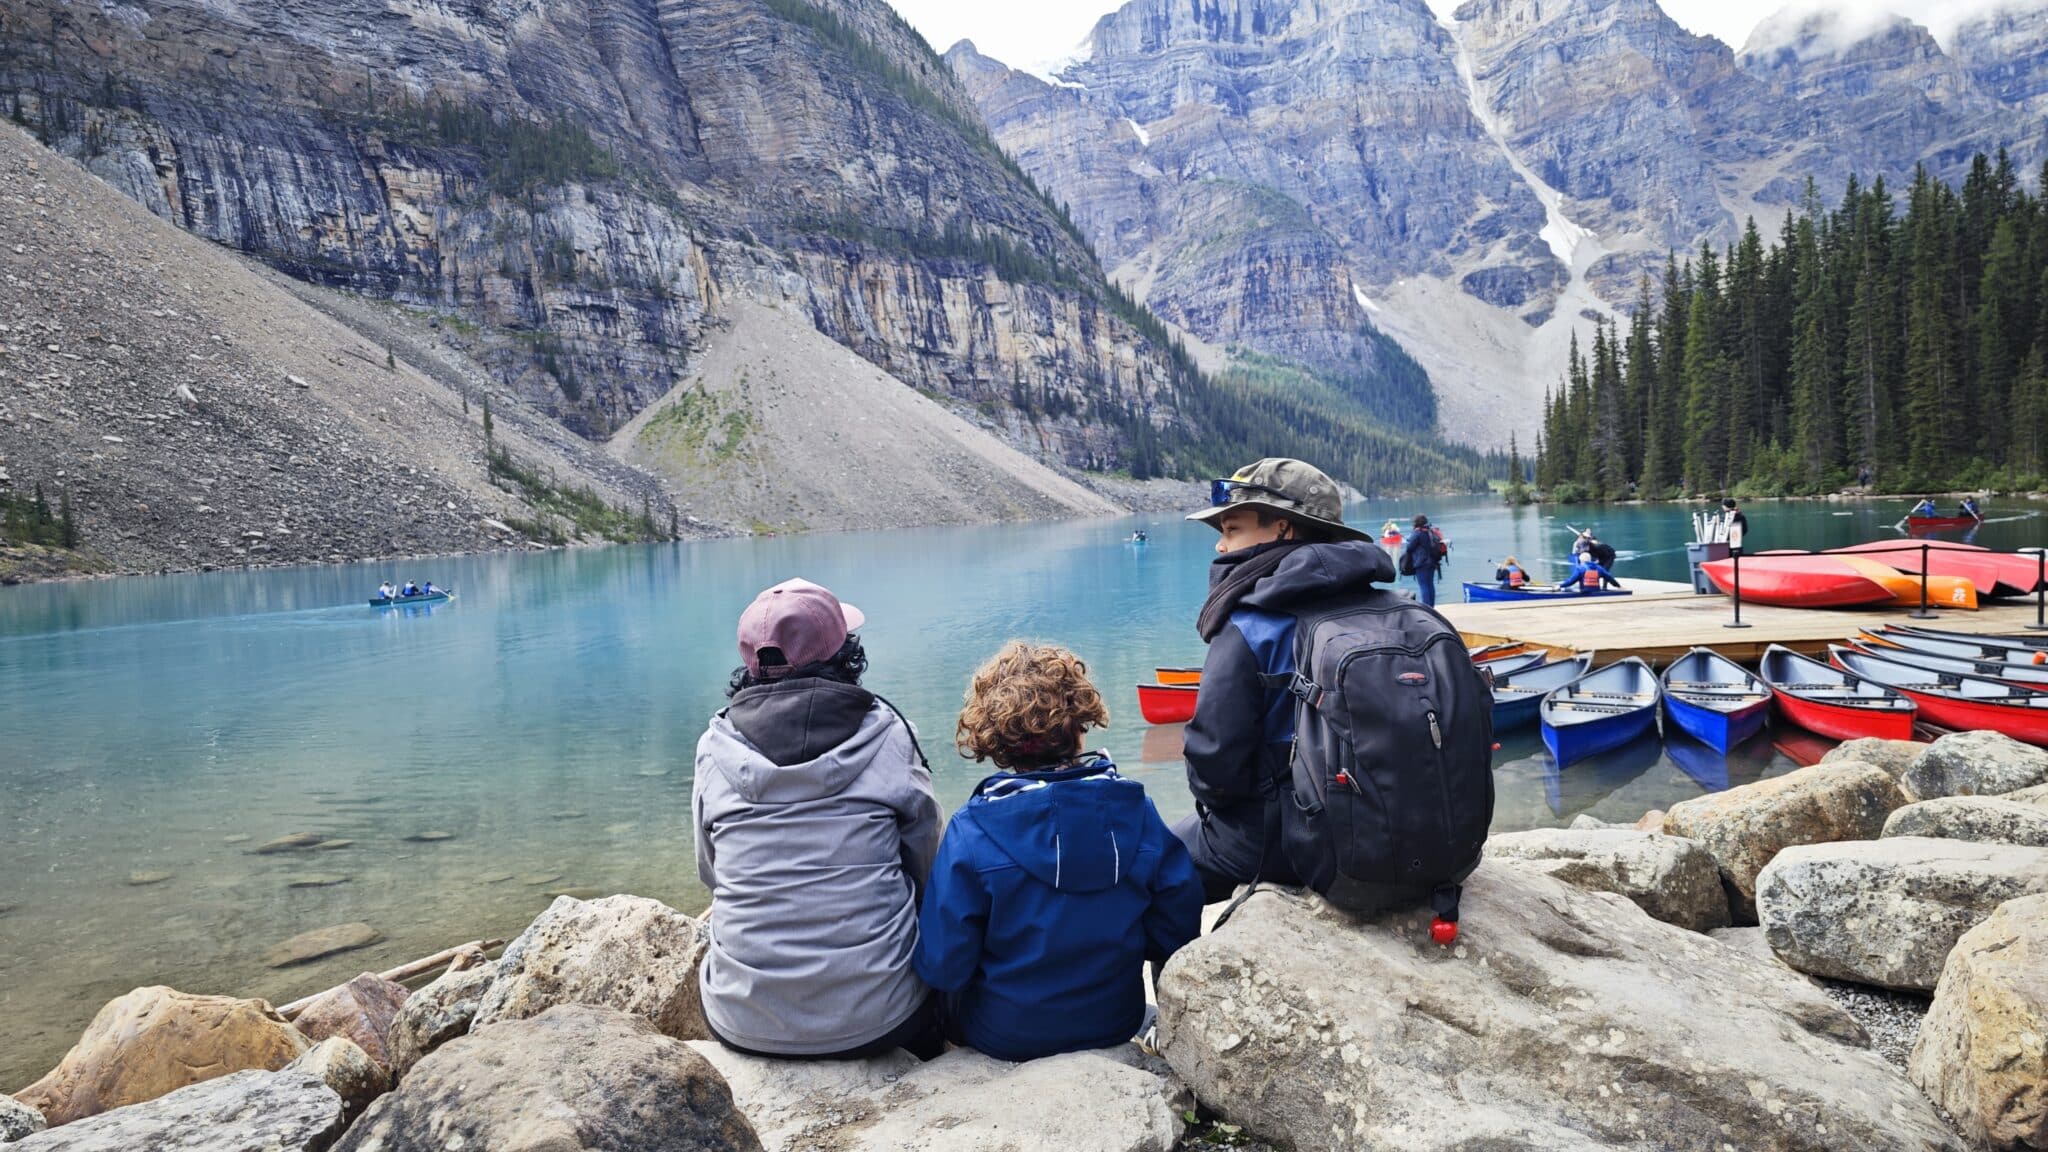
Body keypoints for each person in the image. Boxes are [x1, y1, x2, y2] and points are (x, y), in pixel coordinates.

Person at [693, 578, 944, 1060]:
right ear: (844, 654)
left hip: (743, 1019)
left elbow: (711, 871)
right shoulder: (890, 735)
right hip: (879, 1017)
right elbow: (927, 864)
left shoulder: (713, 748)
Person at [915, 642, 1202, 1062]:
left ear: (995, 742)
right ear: (1080, 726)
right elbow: (1175, 927)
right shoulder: (1134, 810)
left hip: (1002, 1033)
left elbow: (944, 964)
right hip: (1113, 1019)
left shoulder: (971, 830)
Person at [1175, 458, 1393, 901]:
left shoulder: (1251, 626)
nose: (1220, 546)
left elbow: (1213, 767)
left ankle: (1177, 969)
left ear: (1282, 529)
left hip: (1288, 843)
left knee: (1150, 865)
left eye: (1232, 529)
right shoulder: (1398, 609)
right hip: (1394, 828)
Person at [1400, 514, 1447, 607]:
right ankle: (1431, 607)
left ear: (1416, 523)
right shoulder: (1431, 532)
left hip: (1421, 563)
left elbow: (1409, 548)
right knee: (1430, 585)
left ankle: (1426, 609)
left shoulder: (1417, 533)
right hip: (1433, 562)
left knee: (1424, 586)